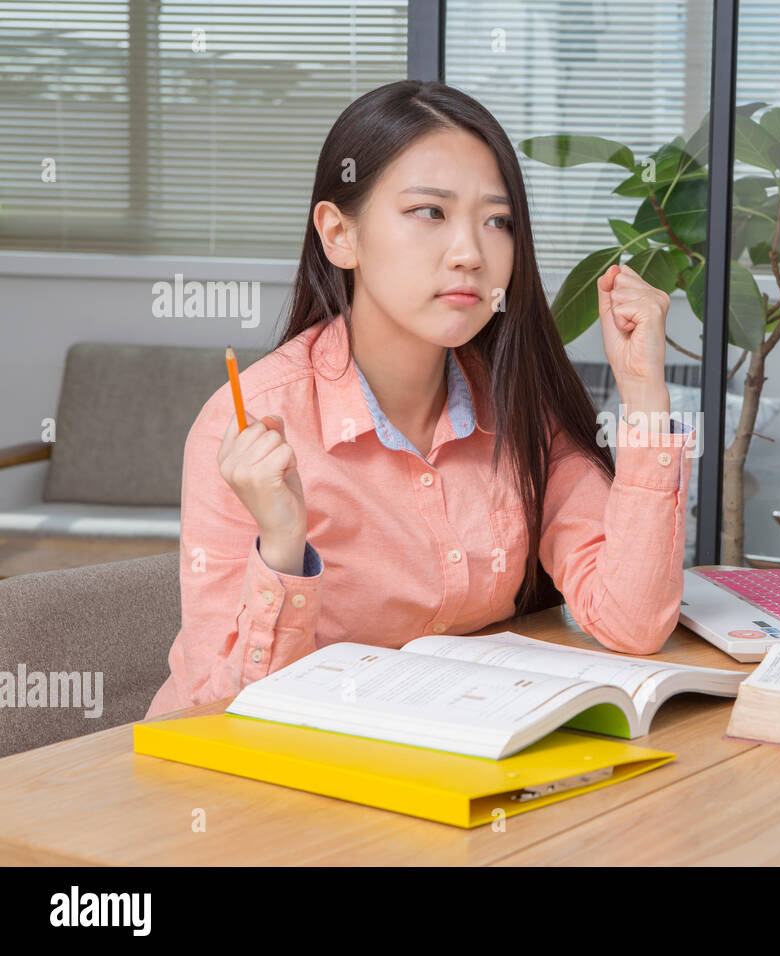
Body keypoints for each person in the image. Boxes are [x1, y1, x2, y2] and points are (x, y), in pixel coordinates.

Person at [145, 81, 695, 718]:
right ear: (338, 234)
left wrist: (644, 393)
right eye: (429, 212)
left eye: (497, 221)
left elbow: (634, 622)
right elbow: (222, 712)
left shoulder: (517, 402)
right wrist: (283, 546)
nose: (469, 254)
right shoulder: (250, 425)